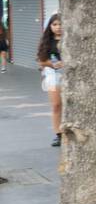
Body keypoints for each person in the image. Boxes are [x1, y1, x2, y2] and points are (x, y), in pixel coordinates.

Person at [37, 15, 63, 146]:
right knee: (56, 105)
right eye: (55, 25)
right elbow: (41, 60)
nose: (58, 27)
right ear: (50, 26)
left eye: (60, 24)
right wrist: (53, 65)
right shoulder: (47, 41)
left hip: (71, 76)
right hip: (52, 76)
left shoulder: (71, 38)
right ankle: (58, 134)